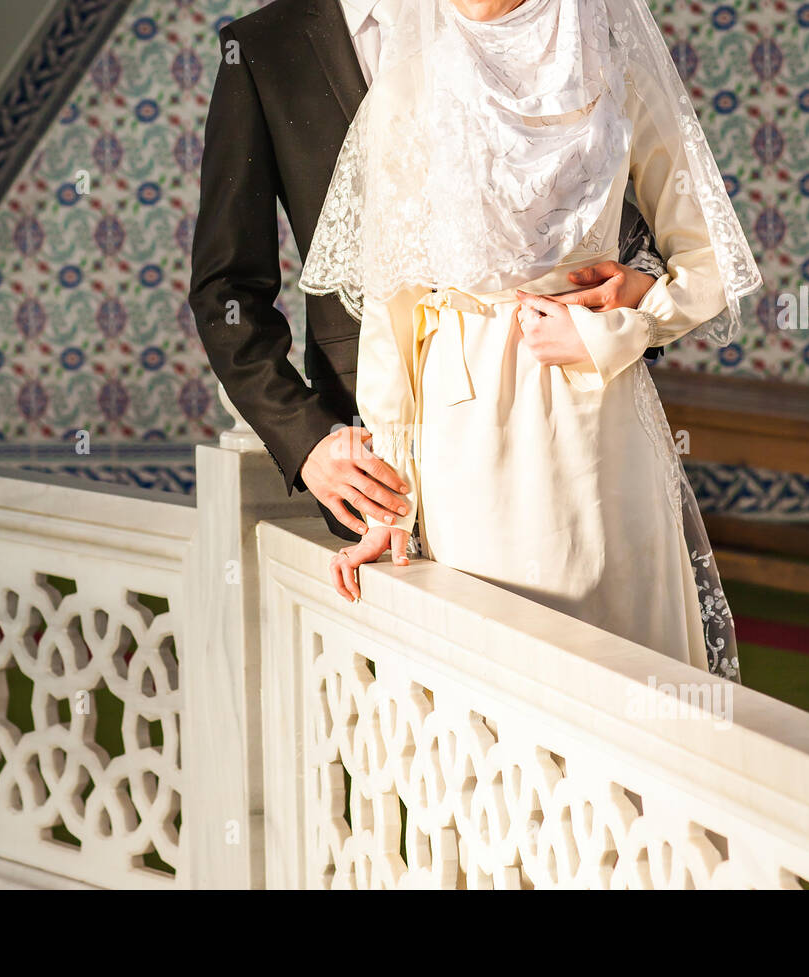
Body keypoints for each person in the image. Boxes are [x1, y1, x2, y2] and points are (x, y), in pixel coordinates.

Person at [299, 0, 762, 677]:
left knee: (631, 684)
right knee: (495, 690)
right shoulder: (415, 68)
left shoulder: (609, 45)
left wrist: (624, 323)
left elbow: (712, 260)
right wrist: (387, 509)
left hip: (602, 426)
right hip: (465, 435)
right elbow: (391, 312)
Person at [188, 0, 667, 546]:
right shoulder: (262, 47)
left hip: (553, 408)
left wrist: (642, 292)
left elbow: (592, 212)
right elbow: (225, 288)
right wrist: (306, 438)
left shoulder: (521, 13)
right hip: (374, 451)